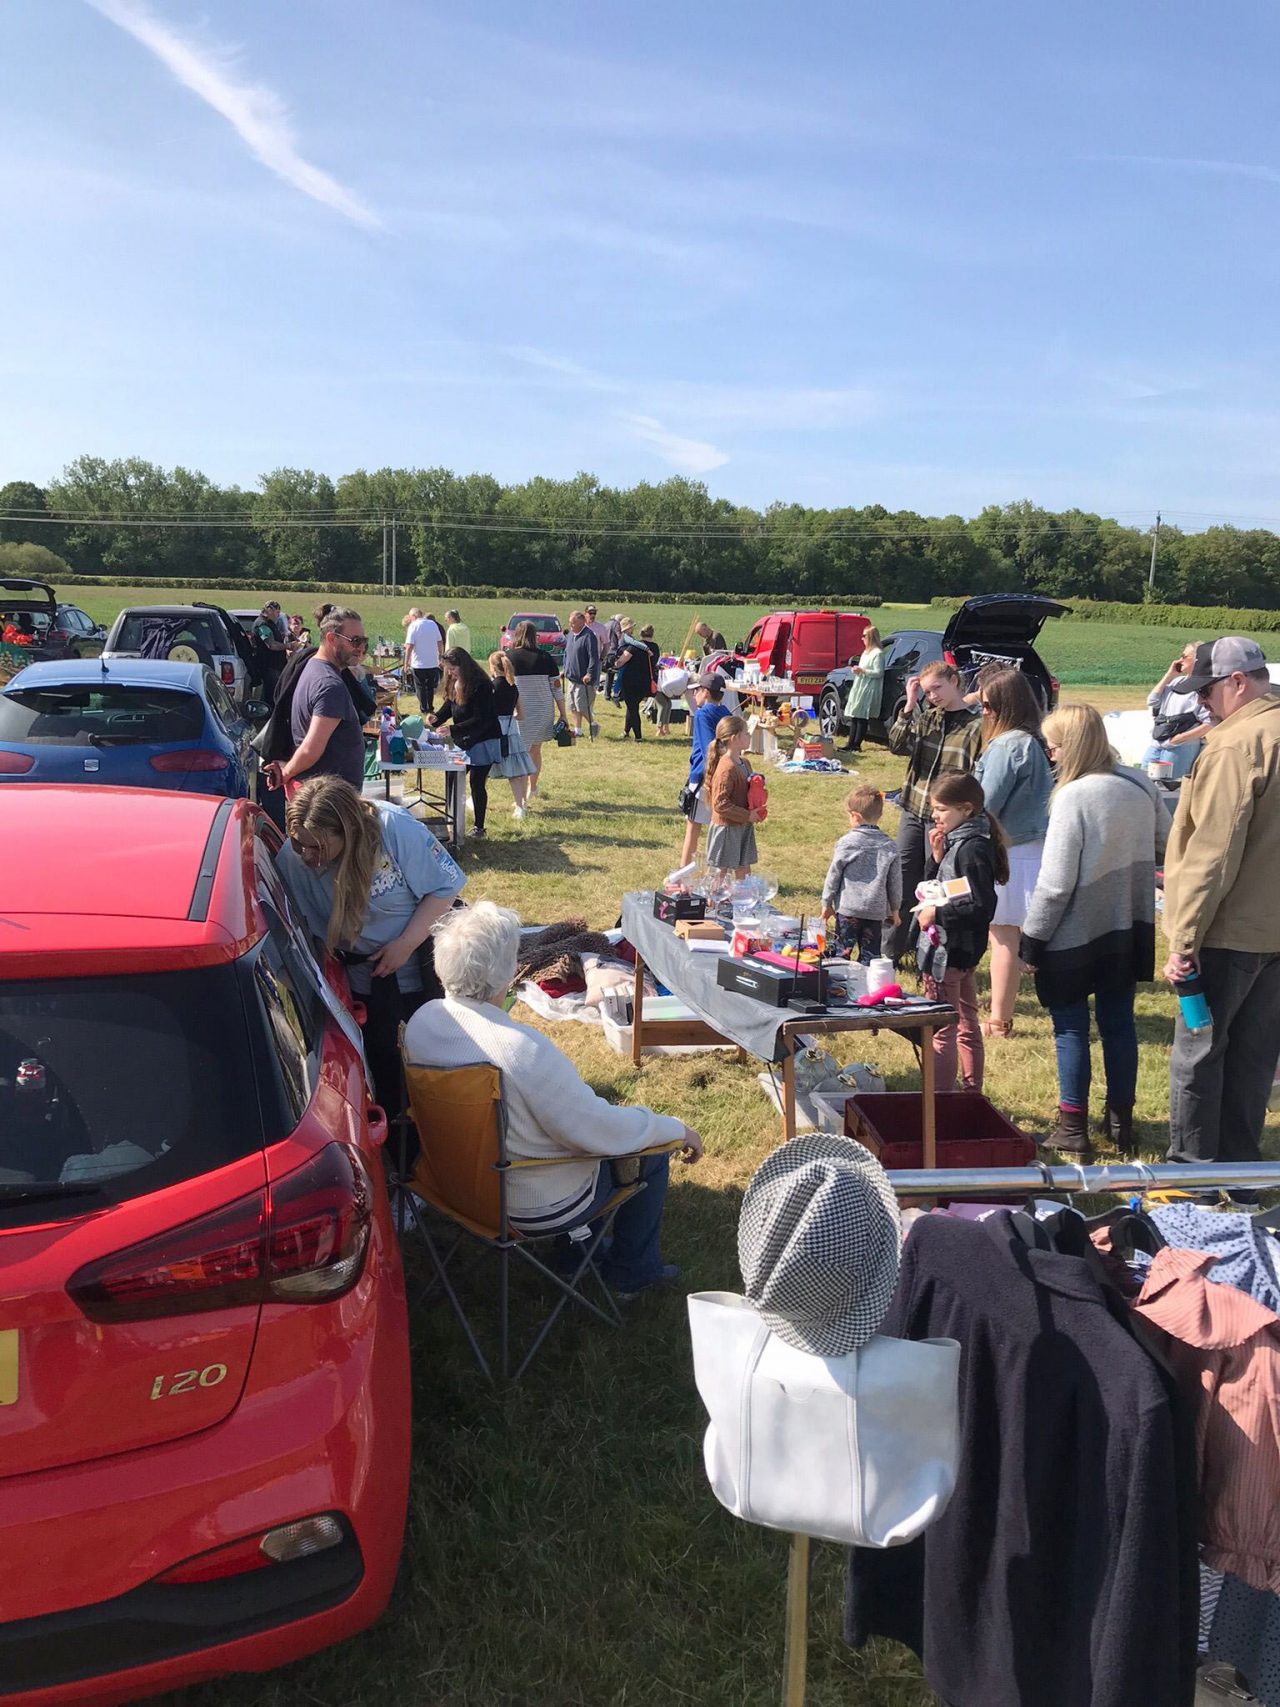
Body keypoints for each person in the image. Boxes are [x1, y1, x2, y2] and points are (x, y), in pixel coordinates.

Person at [405, 902, 702, 1297]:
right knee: (649, 1152)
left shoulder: (421, 1023)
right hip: (526, 1206)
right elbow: (597, 1130)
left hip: (451, 1184)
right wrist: (674, 1128)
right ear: (511, 972)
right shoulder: (520, 1050)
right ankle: (630, 1271)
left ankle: (578, 1255)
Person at [1020, 704, 1170, 1160]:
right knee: (1119, 1023)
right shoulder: (1140, 782)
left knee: (1070, 1029)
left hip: (1074, 931)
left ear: (1074, 746)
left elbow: (1056, 882)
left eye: (1055, 745)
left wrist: (1032, 939)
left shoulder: (1074, 796)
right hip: (1128, 924)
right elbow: (1166, 842)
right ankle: (1121, 1123)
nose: (1051, 754)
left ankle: (1072, 1127)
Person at [277, 776, 465, 1115]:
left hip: (419, 972)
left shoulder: (394, 829)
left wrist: (406, 944)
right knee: (382, 1067)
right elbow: (284, 923)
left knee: (429, 1061)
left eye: (317, 847)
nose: (306, 855)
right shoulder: (292, 860)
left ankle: (437, 1129)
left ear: (347, 833)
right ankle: (396, 1144)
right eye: (298, 843)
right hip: (356, 983)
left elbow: (444, 887)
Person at [1162, 637, 1280, 1177]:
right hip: (1270, 931)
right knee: (1255, 1059)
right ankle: (1243, 1173)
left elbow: (1213, 851)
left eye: (1207, 690)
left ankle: (1192, 1174)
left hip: (1226, 932)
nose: (1200, 702)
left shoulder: (1237, 745)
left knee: (1199, 1054)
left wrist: (1183, 941)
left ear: (1237, 682)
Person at [972, 668, 1053, 1039]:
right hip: (1029, 848)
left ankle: (998, 1021)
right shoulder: (1032, 740)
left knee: (1003, 937)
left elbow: (984, 803)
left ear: (1005, 705)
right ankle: (1000, 1015)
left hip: (1010, 850)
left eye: (988, 705)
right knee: (1009, 936)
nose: (984, 712)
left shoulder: (1007, 745)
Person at [913, 773, 1005, 1094]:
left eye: (941, 809)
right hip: (959, 953)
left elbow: (981, 907)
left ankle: (939, 1103)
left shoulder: (972, 850)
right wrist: (935, 860)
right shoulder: (959, 843)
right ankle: (970, 1094)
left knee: (943, 1032)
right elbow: (933, 889)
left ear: (966, 809)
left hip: (948, 953)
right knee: (966, 1026)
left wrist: (937, 912)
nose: (934, 816)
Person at [886, 661, 982, 962]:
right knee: (902, 881)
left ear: (955, 681)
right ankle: (890, 951)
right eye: (928, 692)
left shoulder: (975, 727)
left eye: (937, 688)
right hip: (914, 810)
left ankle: (928, 950)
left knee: (937, 886)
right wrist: (910, 703)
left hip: (947, 822)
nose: (933, 696)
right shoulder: (927, 717)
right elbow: (896, 744)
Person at [264, 607, 369, 796]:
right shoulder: (329, 685)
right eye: (355, 641)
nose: (361, 648)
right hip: (327, 803)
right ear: (331, 639)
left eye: (364, 641)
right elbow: (311, 747)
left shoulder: (311, 665)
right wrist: (285, 773)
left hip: (320, 796)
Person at [821, 785, 902, 965]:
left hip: (848, 909)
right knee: (871, 956)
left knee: (841, 953)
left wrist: (826, 903)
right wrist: (895, 910)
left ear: (855, 816)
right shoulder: (889, 845)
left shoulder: (847, 842)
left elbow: (834, 875)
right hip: (875, 911)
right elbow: (895, 882)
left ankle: (840, 986)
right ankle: (867, 987)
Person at [429, 648, 504, 838]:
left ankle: (479, 828)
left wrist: (453, 729)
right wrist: (436, 718)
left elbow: (482, 719)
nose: (450, 672)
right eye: (448, 669)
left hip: (484, 738)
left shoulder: (481, 685)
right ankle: (452, 819)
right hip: (464, 740)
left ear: (463, 665)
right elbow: (450, 705)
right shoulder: (454, 681)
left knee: (476, 783)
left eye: (453, 668)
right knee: (452, 778)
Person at [506, 620, 564, 799]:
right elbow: (557, 688)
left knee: (520, 752)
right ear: (534, 636)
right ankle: (532, 787)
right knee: (535, 750)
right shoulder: (546, 658)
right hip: (542, 709)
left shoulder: (509, 657)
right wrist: (563, 713)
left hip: (519, 710)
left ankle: (520, 795)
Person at [1141, 642, 1213, 781]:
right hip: (1157, 743)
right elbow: (1152, 700)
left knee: (1169, 789)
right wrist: (1169, 675)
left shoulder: (1202, 688)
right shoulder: (1177, 682)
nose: (1179, 660)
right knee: (1144, 782)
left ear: (1197, 660)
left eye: (1184, 656)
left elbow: (1209, 723)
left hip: (1181, 748)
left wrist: (1178, 739)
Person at [705, 715, 764, 879]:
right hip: (726, 829)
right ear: (734, 738)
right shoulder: (726, 768)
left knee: (743, 870)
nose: (749, 736)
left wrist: (756, 804)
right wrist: (747, 815)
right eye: (746, 734)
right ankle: (714, 903)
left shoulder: (744, 763)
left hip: (742, 825)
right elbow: (720, 804)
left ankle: (743, 901)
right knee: (720, 873)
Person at [679, 674, 727, 864]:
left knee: (692, 829)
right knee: (718, 828)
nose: (694, 693)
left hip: (702, 778)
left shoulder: (702, 714)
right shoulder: (726, 713)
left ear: (705, 693)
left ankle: (683, 873)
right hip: (722, 775)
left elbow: (710, 747)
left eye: (697, 690)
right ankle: (718, 872)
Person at [487, 651, 537, 819]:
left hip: (495, 728)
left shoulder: (491, 687)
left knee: (505, 772)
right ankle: (522, 803)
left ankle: (519, 807)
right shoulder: (513, 686)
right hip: (512, 729)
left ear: (493, 667)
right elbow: (521, 714)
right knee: (519, 769)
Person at [840, 626, 884, 752]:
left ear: (870, 637)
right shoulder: (865, 652)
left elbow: (879, 672)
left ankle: (856, 745)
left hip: (869, 687)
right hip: (860, 684)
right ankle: (850, 743)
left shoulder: (878, 654)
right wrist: (857, 670)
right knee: (855, 714)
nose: (862, 638)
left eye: (864, 636)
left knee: (862, 716)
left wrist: (862, 671)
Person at [615, 622, 660, 741]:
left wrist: (614, 664)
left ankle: (638, 737)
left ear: (640, 634)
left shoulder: (635, 646)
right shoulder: (655, 647)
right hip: (646, 683)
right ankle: (626, 731)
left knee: (633, 709)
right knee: (632, 706)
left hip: (631, 682)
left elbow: (621, 661)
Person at [562, 611, 600, 739]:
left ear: (582, 621)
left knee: (582, 706)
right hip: (571, 677)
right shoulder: (571, 635)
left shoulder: (589, 636)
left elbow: (593, 657)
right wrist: (565, 670)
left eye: (573, 622)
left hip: (583, 679)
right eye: (570, 622)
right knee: (573, 705)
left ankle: (593, 724)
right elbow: (567, 654)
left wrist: (589, 673)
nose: (571, 625)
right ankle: (578, 729)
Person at [404, 606, 442, 716]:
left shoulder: (413, 626)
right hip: (432, 662)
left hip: (418, 663)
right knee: (430, 686)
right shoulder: (432, 624)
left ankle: (423, 707)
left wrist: (406, 663)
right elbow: (439, 641)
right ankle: (430, 707)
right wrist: (440, 655)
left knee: (420, 686)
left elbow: (409, 646)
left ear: (413, 616)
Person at [251, 600, 287, 701]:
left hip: (275, 667)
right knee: (271, 696)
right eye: (277, 612)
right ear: (269, 610)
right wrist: (288, 646)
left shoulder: (270, 623)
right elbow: (271, 644)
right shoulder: (262, 624)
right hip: (269, 667)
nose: (278, 615)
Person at [584, 605, 610, 682]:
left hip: (595, 661)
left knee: (593, 684)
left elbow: (606, 644)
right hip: (582, 660)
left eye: (594, 613)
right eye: (590, 613)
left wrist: (601, 659)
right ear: (585, 613)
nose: (592, 615)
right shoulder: (580, 626)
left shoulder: (601, 627)